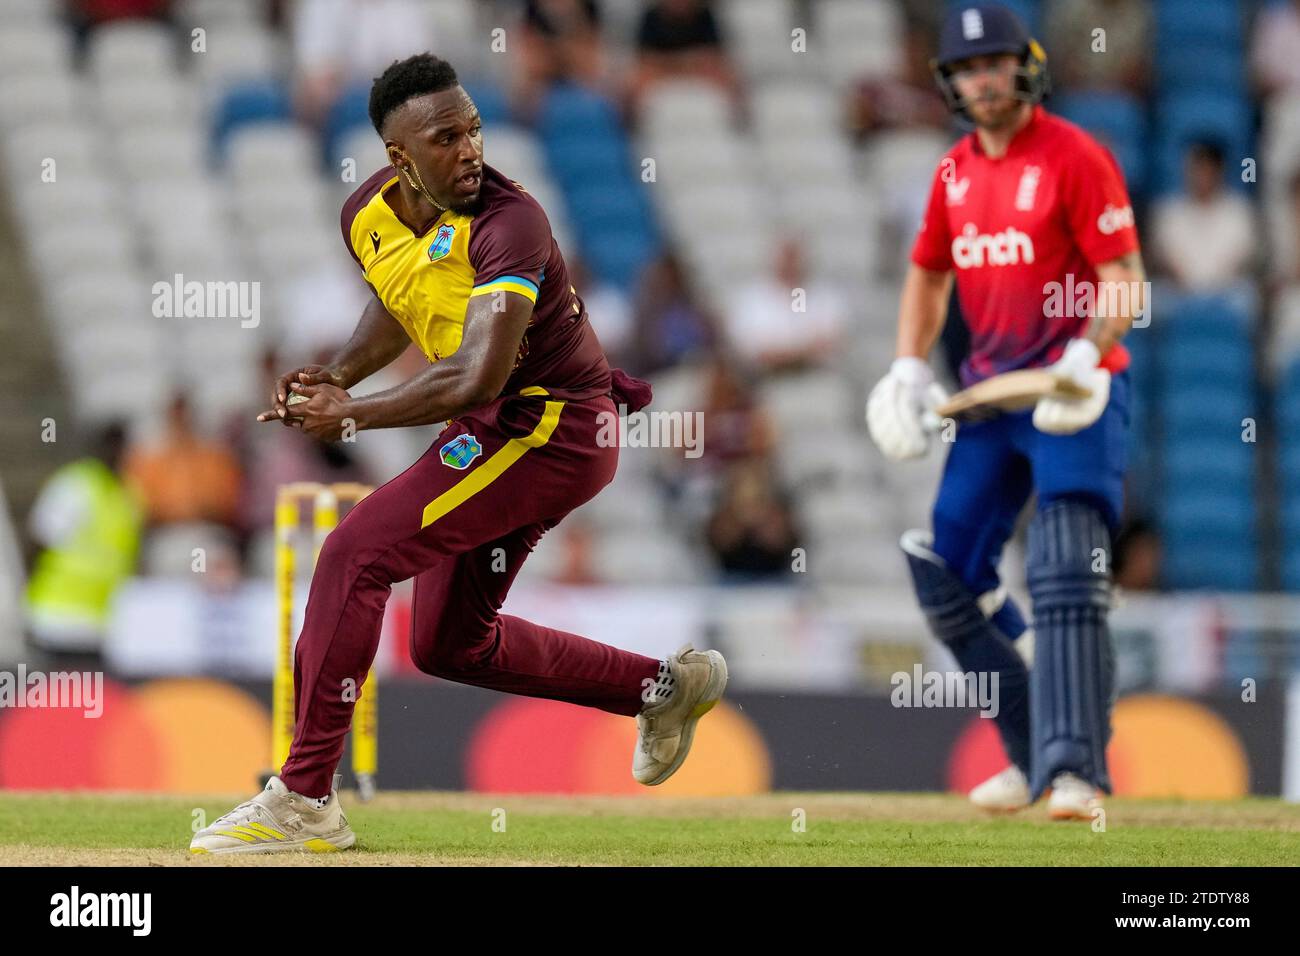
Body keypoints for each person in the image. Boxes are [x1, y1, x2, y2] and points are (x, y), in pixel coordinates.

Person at [191, 53, 728, 854]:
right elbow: (398, 299)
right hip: (499, 425)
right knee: (447, 644)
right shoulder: (365, 213)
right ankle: (662, 687)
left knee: (355, 552)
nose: (471, 150)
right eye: (447, 138)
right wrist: (332, 375)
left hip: (553, 428)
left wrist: (351, 415)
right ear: (399, 160)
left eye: (473, 129)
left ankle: (303, 798)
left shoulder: (512, 223)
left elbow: (474, 374)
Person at [866, 5, 1144, 821]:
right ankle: (1030, 752)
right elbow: (927, 272)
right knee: (946, 569)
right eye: (968, 68)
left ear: (1025, 66)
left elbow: (1123, 273)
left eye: (996, 63)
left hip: (1072, 389)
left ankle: (1077, 772)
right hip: (991, 398)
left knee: (1065, 567)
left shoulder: (1076, 155)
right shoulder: (953, 170)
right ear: (950, 82)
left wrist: (1090, 354)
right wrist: (909, 366)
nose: (984, 79)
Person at [24, 423, 143, 666]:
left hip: (103, 624)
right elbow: (38, 541)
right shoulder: (75, 485)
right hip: (58, 617)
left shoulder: (130, 494)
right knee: (58, 698)